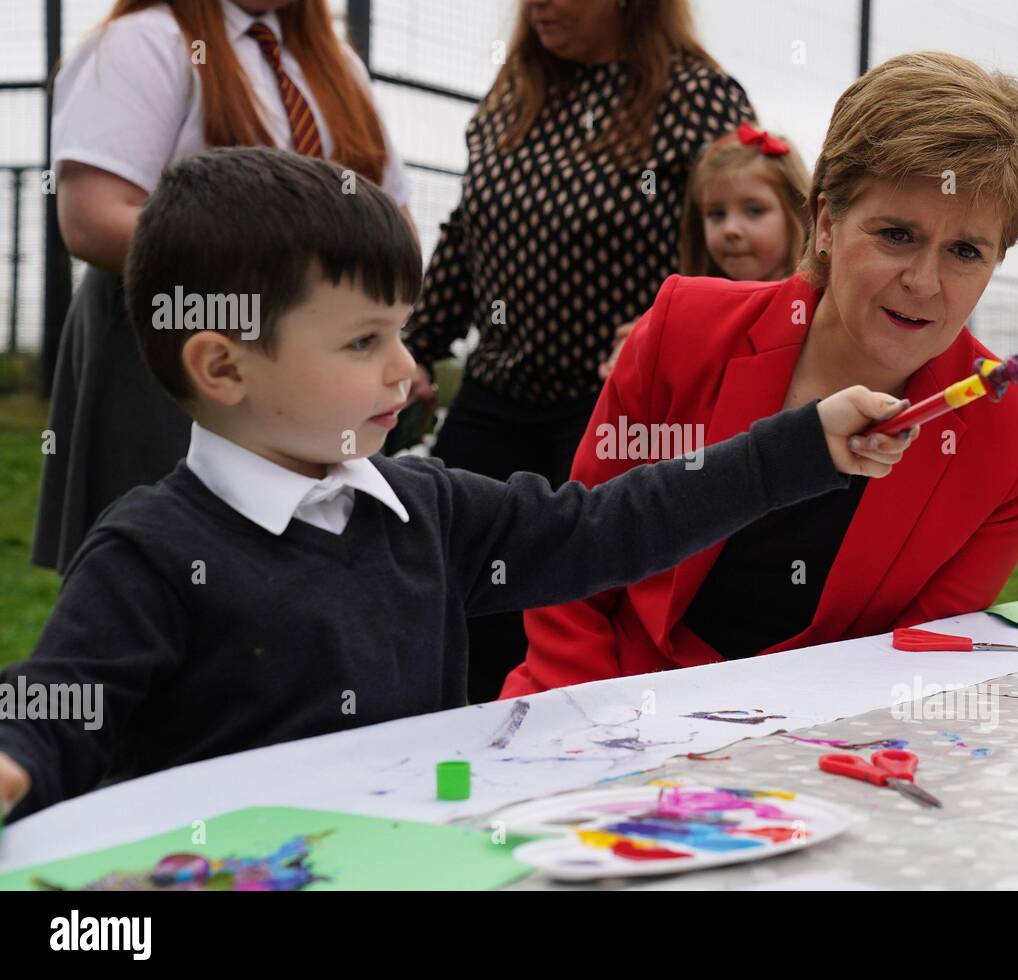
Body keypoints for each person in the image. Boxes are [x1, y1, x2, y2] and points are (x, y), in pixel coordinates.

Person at [0, 146, 918, 821]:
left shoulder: (428, 508)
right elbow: (60, 706)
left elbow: (610, 527)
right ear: (223, 364)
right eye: (364, 342)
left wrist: (795, 448)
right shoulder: (149, 551)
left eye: (402, 332)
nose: (408, 370)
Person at [504, 51, 1018, 697]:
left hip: (816, 748)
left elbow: (918, 664)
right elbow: (576, 560)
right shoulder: (683, 328)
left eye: (965, 250)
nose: (923, 282)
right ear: (826, 223)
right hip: (600, 700)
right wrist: (594, 738)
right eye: (896, 235)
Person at [402, 0, 756, 702]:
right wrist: (417, 345)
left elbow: (738, 233)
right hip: (498, 389)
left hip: (610, 403)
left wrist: (681, 322)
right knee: (449, 588)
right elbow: (468, 231)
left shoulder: (697, 97)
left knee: (577, 607)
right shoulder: (516, 92)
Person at [32, 0, 414, 574]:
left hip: (312, 362)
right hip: (174, 344)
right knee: (159, 571)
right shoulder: (146, 40)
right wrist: (282, 281)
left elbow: (395, 209)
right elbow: (92, 217)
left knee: (300, 571)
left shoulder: (338, 67)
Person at [601, 120, 810, 379]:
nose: (730, 229)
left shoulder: (813, 308)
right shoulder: (694, 306)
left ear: (799, 212)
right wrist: (643, 341)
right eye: (716, 214)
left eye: (754, 211)